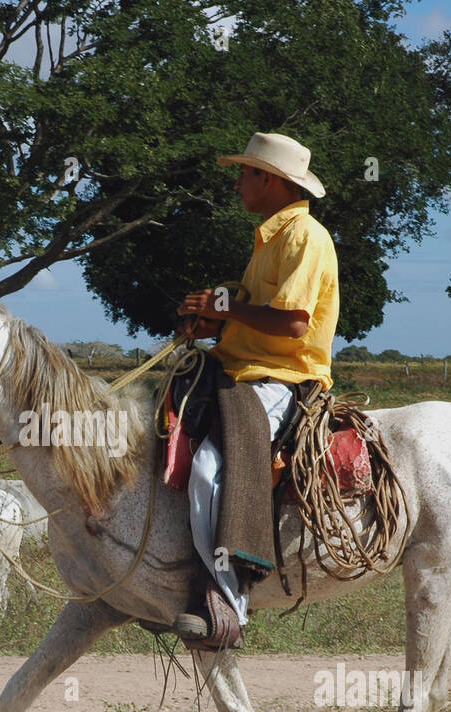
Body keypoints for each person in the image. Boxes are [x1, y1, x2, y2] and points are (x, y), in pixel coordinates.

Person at [172, 132, 339, 648]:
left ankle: (228, 606)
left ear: (270, 179)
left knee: (209, 469)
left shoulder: (305, 236)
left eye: (245, 174)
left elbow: (291, 324)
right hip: (241, 366)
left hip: (280, 378)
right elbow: (253, 319)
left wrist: (222, 310)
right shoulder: (270, 236)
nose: (239, 183)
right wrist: (213, 327)